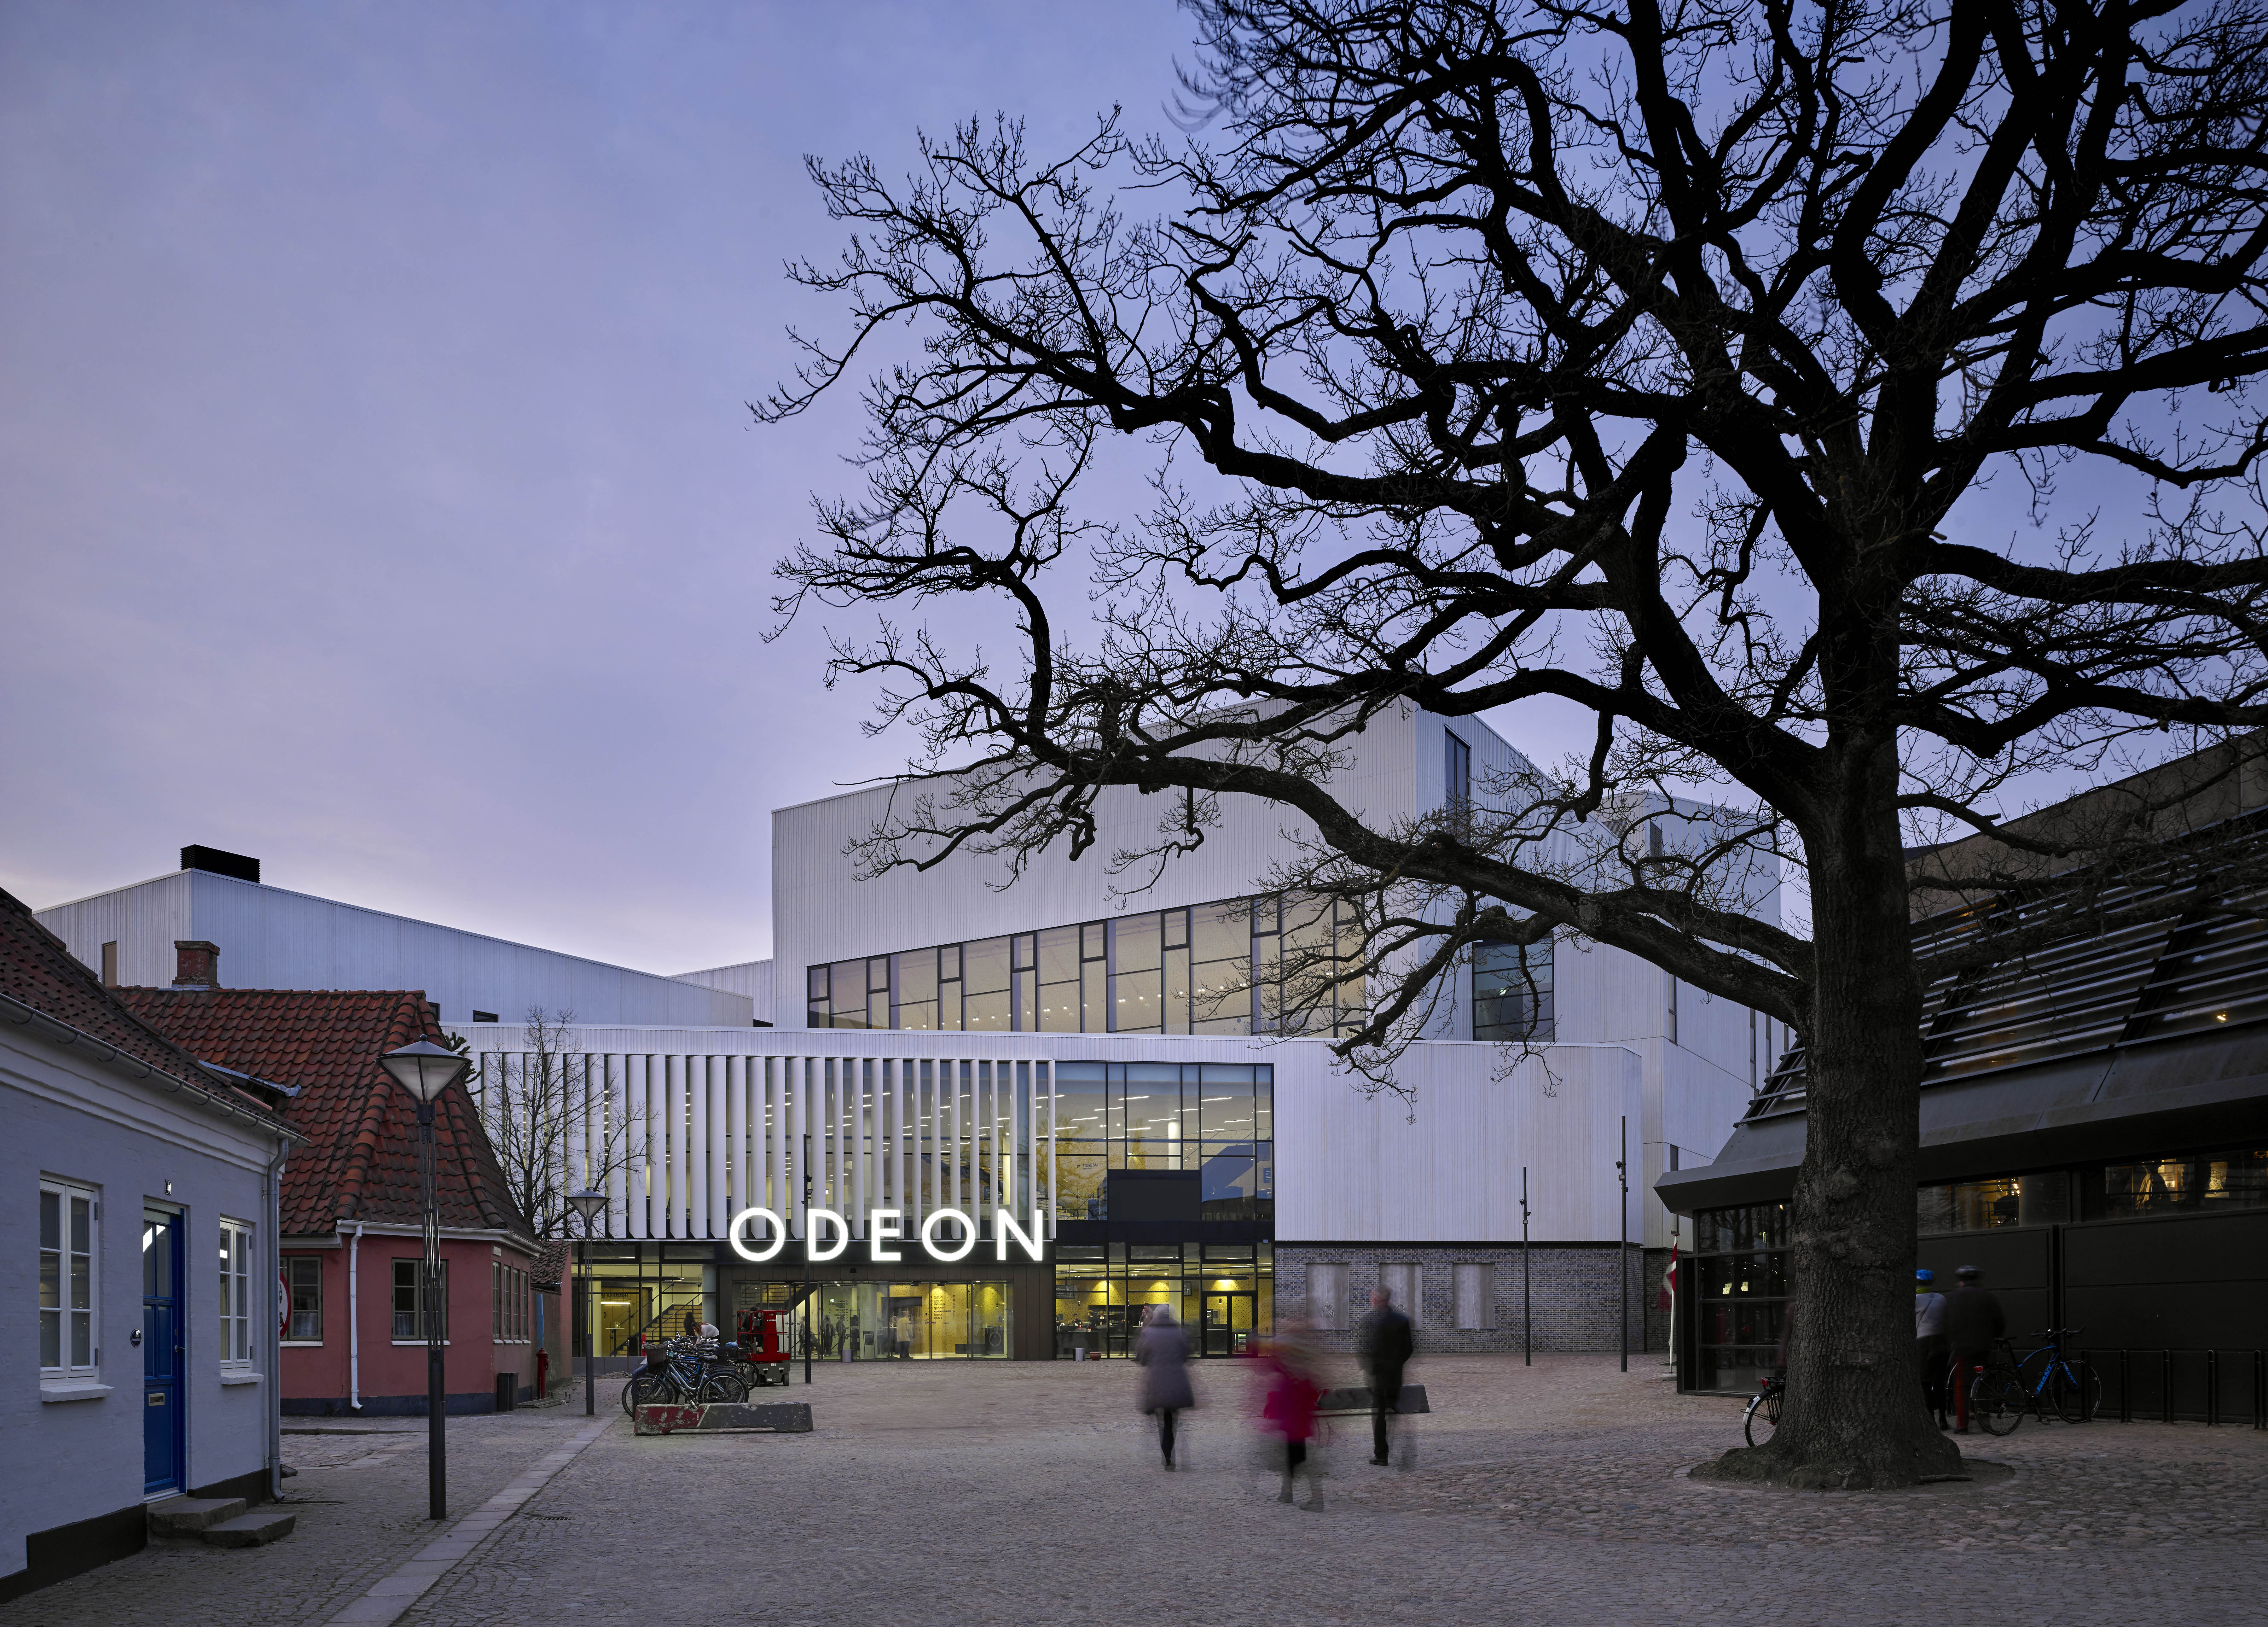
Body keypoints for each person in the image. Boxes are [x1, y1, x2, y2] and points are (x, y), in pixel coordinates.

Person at [1258, 1317, 1324, 1510]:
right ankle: (1287, 1492)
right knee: (1294, 1453)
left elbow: (1273, 1366)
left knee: (1298, 1456)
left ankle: (1314, 1498)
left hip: (1295, 1419)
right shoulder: (1301, 1370)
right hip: (1298, 1419)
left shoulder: (1293, 1372)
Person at [1355, 1285, 1414, 1467]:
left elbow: (1362, 1348)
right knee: (1393, 1412)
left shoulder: (1368, 1320)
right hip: (1395, 1376)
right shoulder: (1401, 1321)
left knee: (1379, 1416)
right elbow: (1408, 1350)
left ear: (1376, 1300)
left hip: (1377, 1377)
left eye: (1372, 1298)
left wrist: (1368, 1369)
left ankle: (1382, 1454)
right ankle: (1400, 1448)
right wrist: (1397, 1366)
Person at [1943, 1265, 2005, 1435]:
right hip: (1984, 1348)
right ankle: (1985, 1421)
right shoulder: (1989, 1297)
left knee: (1961, 1385)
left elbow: (1947, 1323)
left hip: (1962, 1348)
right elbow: (2000, 1323)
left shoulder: (1952, 1297)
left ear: (1961, 1281)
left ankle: (1962, 1425)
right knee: (1984, 1383)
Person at [1134, 1304, 1196, 1469]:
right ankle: (1169, 1450)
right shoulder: (1178, 1331)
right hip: (1176, 1381)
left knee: (1160, 1419)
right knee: (1171, 1419)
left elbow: (1142, 1357)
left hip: (1156, 1382)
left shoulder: (1148, 1332)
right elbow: (1186, 1355)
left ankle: (1166, 1453)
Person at [1914, 1268, 1950, 1429]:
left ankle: (1930, 1421)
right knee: (1940, 1383)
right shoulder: (1941, 1299)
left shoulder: (1913, 1300)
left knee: (1925, 1384)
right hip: (1941, 1343)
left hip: (1923, 1343)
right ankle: (1943, 1419)